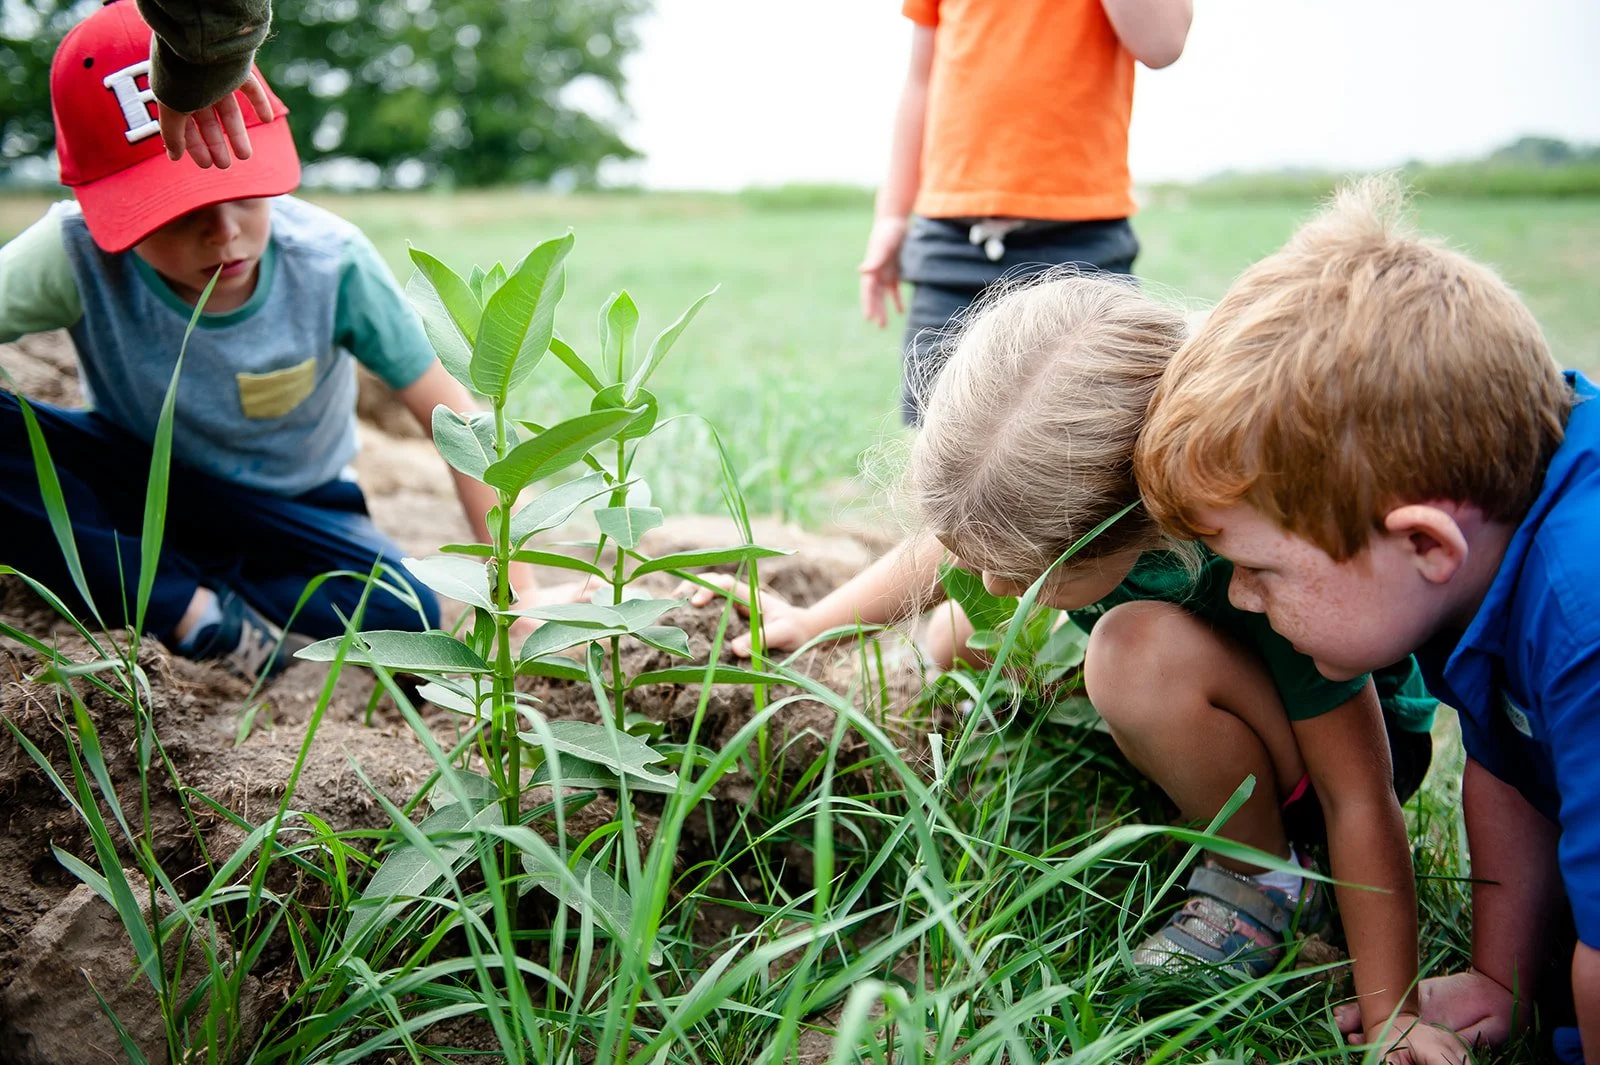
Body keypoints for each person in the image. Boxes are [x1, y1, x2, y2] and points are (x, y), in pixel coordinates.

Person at [689, 272, 1461, 1062]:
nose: (993, 581)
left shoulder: (1271, 576)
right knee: (967, 619)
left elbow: (1361, 797)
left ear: (1131, 516)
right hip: (1225, 687)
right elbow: (951, 550)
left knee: (1125, 651)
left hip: (1336, 765)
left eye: (1031, 564)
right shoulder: (1102, 502)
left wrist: (1392, 1008)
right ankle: (1013, 729)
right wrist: (813, 626)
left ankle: (1261, 880)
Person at [1135, 175, 1597, 1064]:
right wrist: (1503, 978)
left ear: (1423, 543)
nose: (1239, 597)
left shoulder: (1586, 616)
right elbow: (1504, 760)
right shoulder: (1496, 531)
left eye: (1262, 569)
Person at [0, 0, 539, 680]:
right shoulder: (72, 253)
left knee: (404, 615)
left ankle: (196, 585)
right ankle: (190, 609)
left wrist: (519, 594)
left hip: (295, 509)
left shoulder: (330, 261)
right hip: (140, 478)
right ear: (105, 208)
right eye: (179, 213)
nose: (225, 233)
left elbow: (457, 419)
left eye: (244, 192)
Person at [860, 0, 1191, 424]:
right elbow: (922, 81)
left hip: (1082, 244)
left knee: (1105, 434)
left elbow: (1161, 45)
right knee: (940, 436)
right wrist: (891, 215)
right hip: (950, 242)